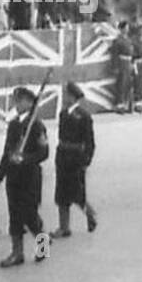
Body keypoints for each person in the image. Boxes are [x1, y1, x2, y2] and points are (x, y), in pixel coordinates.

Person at [0, 85, 50, 266]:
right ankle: (17, 253)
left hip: (29, 177)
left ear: (30, 102)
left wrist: (24, 158)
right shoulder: (14, 124)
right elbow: (6, 152)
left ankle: (43, 245)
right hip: (13, 177)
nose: (17, 103)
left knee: (30, 216)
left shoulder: (37, 125)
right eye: (16, 100)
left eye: (20, 100)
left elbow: (43, 153)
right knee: (14, 216)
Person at [53, 81, 97, 237]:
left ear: (74, 97)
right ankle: (63, 227)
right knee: (61, 194)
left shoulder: (84, 116)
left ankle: (90, 213)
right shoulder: (63, 114)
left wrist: (86, 161)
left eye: (68, 95)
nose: (65, 98)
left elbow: (90, 142)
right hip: (63, 156)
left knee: (77, 193)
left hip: (76, 158)